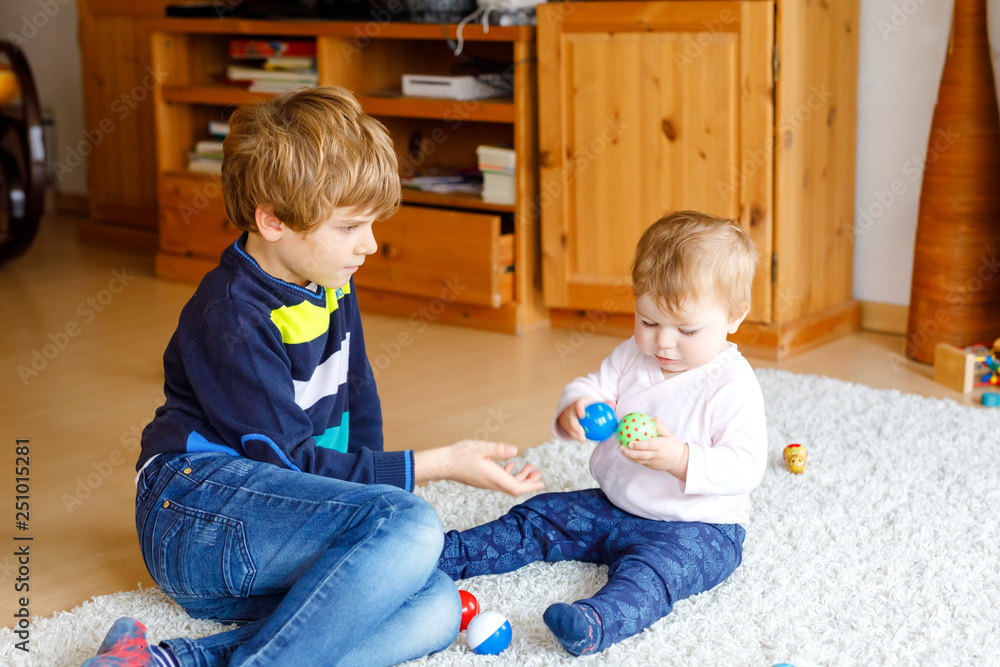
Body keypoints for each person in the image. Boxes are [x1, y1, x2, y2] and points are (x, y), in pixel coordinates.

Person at [84, 86, 543, 667]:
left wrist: (369, 501)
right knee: (410, 524)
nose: (370, 245)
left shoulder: (330, 280)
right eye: (350, 227)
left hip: (265, 533)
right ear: (272, 220)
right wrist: (438, 465)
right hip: (194, 516)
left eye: (371, 225)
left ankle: (169, 662)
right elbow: (290, 464)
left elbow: (357, 396)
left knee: (435, 604)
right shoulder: (230, 314)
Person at [438, 211, 767, 656]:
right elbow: (595, 385)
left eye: (686, 329)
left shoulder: (732, 383)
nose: (663, 343)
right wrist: (577, 406)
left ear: (735, 316)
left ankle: (593, 622)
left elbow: (747, 466)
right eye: (648, 321)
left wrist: (680, 458)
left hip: (698, 527)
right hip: (615, 504)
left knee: (653, 575)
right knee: (540, 516)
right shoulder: (634, 354)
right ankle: (447, 554)